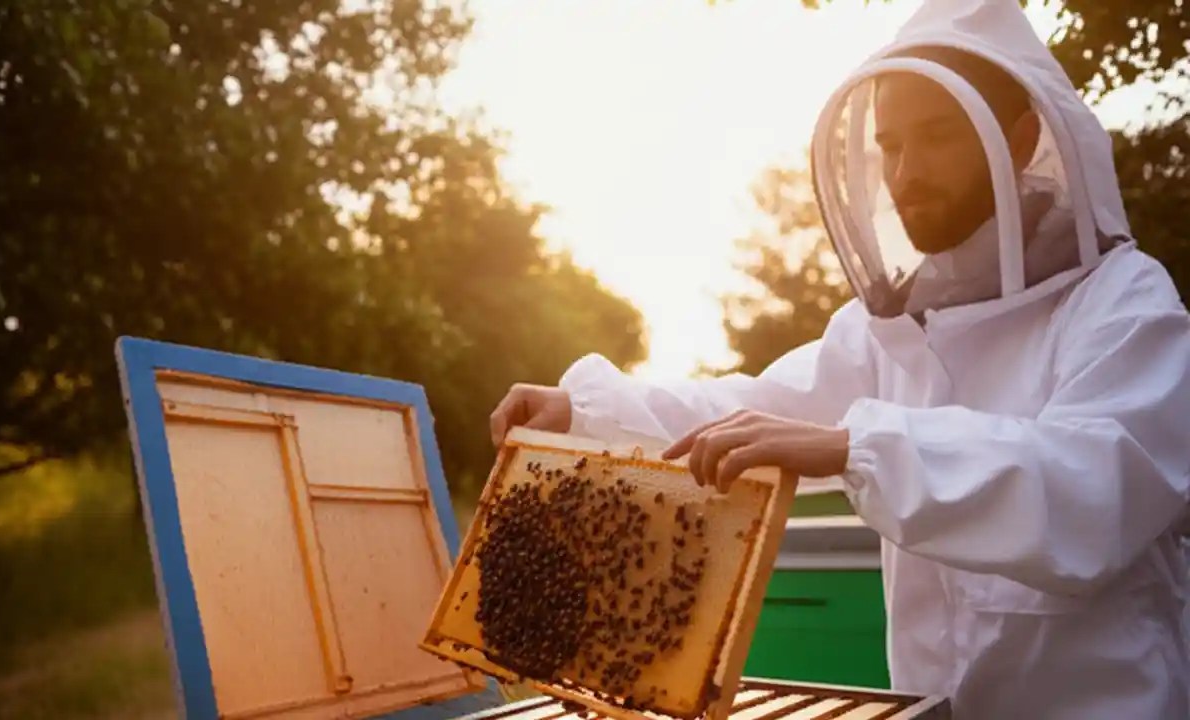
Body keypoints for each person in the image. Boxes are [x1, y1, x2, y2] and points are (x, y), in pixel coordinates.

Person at [488, 0, 1190, 717]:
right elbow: (751, 408)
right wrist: (584, 410)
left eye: (937, 137)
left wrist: (856, 445)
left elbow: (1097, 488)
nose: (904, 172)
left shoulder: (1123, 303)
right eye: (890, 146)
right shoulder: (888, 327)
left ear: (1017, 140)